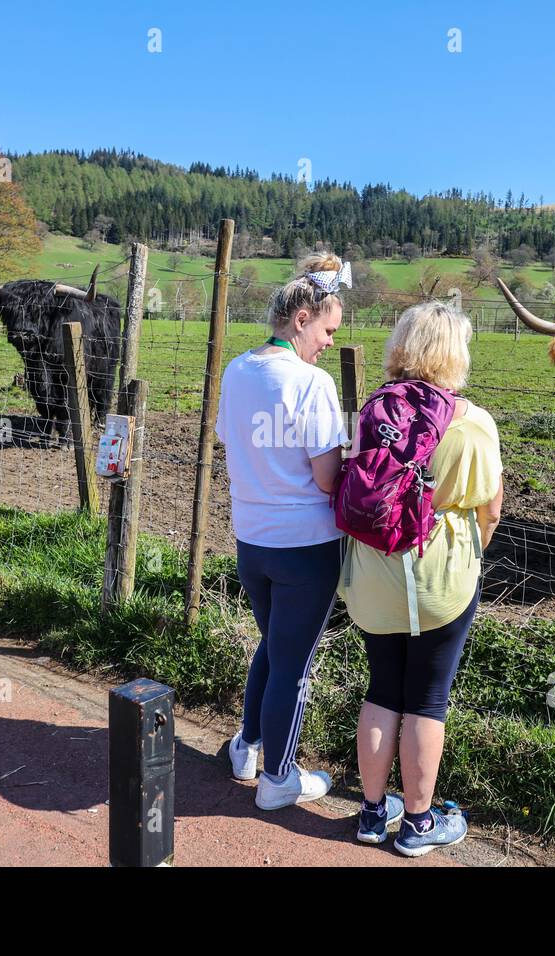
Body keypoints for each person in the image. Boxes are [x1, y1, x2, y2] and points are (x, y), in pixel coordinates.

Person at [339, 301, 503, 857]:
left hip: (373, 579)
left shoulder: (370, 413)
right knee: (428, 700)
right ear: (456, 353)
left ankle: (368, 813)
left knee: (382, 688)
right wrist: (471, 553)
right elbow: (491, 510)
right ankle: (418, 823)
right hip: (441, 582)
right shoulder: (475, 423)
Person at [215, 253, 350, 810]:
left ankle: (246, 747)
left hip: (252, 541)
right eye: (326, 330)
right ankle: (279, 779)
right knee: (293, 667)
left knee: (272, 647)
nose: (327, 343)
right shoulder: (312, 384)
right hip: (305, 550)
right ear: (301, 318)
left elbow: (233, 441)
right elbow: (326, 480)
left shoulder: (236, 369)